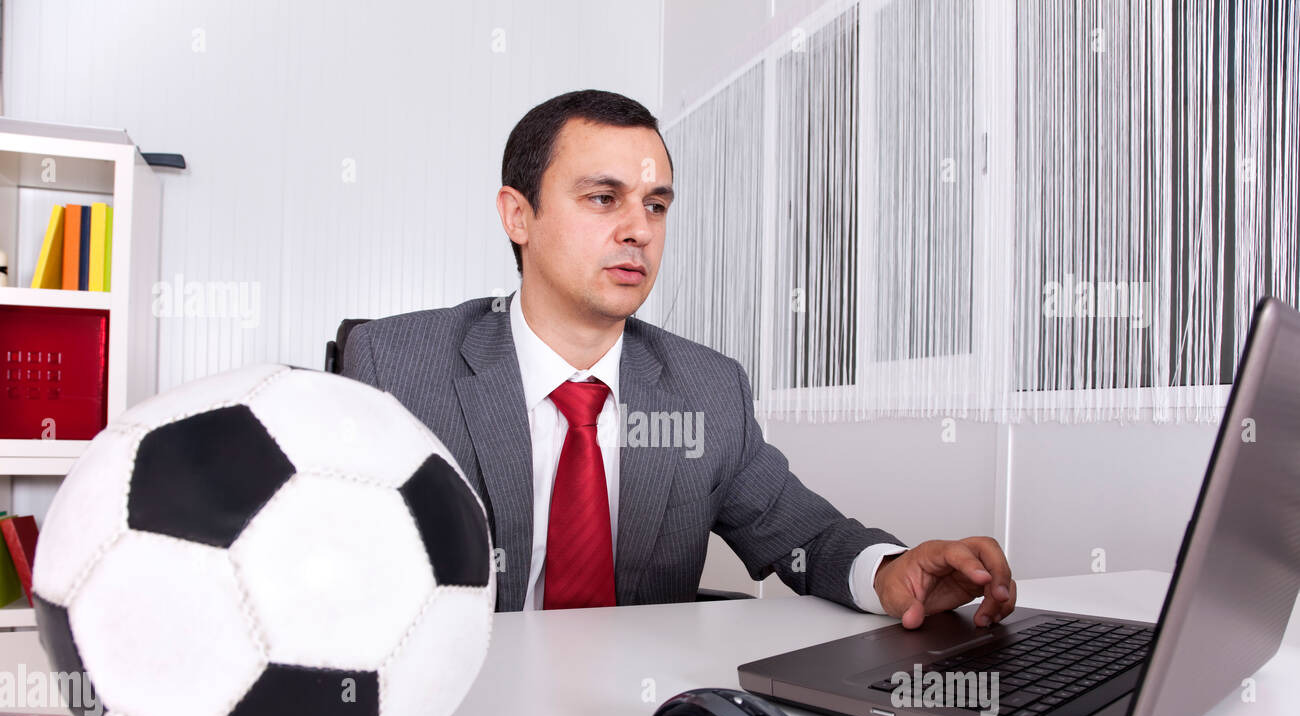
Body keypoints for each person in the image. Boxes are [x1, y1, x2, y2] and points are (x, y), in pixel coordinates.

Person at [343, 89, 1016, 627]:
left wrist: (892, 570)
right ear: (519, 216)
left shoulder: (707, 389)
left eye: (656, 205)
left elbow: (807, 537)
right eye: (603, 198)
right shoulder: (397, 367)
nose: (639, 229)